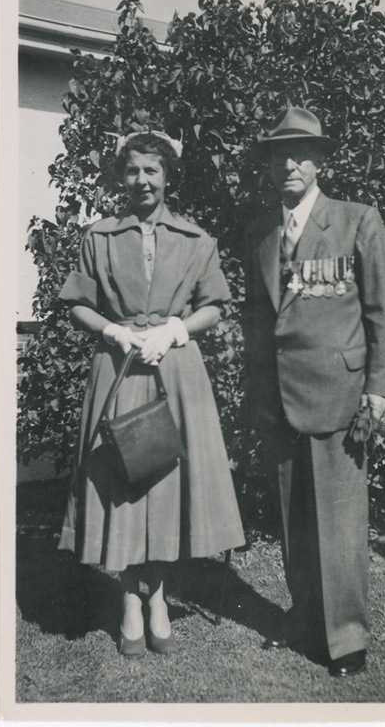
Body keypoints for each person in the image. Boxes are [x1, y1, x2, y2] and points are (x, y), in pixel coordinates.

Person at [58, 130, 244, 657]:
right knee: (121, 481)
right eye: (134, 170)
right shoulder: (99, 237)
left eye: (152, 171)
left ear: (168, 178)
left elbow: (215, 304)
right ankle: (127, 601)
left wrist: (175, 332)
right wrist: (114, 331)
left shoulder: (195, 238)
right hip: (118, 368)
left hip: (174, 369)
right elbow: (77, 302)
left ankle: (157, 595)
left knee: (163, 486)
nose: (143, 180)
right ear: (122, 176)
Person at [243, 107, 385, 677]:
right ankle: (307, 618)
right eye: (278, 154)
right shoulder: (259, 234)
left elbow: (384, 312)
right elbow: (258, 322)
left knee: (339, 522)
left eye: (300, 153)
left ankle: (347, 639)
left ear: (320, 161)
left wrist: (378, 392)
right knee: (293, 520)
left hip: (340, 394)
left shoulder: (356, 220)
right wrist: (257, 390)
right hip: (280, 398)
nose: (288, 164)